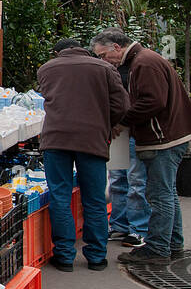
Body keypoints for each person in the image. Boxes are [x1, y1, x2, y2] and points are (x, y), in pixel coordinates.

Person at [92, 30, 191, 265]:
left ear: (116, 47)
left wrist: (123, 122)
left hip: (164, 138)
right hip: (169, 135)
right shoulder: (145, 59)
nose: (104, 61)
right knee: (166, 193)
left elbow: (153, 101)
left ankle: (158, 249)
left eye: (103, 55)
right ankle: (171, 244)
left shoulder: (144, 63)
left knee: (159, 194)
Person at [36, 38, 128, 272]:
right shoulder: (105, 68)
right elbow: (121, 105)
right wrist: (105, 123)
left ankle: (64, 256)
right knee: (95, 198)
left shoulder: (46, 69)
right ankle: (97, 257)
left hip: (56, 139)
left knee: (60, 195)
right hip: (92, 140)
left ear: (58, 52)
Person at [106, 52, 151, 250]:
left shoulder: (137, 68)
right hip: (117, 133)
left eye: (104, 53)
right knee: (117, 180)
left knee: (136, 181)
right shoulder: (109, 70)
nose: (103, 58)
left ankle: (139, 229)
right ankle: (119, 225)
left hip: (131, 131)